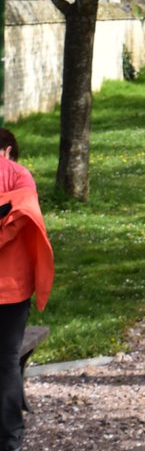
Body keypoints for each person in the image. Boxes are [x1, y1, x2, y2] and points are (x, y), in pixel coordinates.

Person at [0, 129, 54, 451]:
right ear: (7, 150)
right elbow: (24, 217)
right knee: (6, 361)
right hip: (11, 287)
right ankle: (10, 440)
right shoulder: (19, 176)